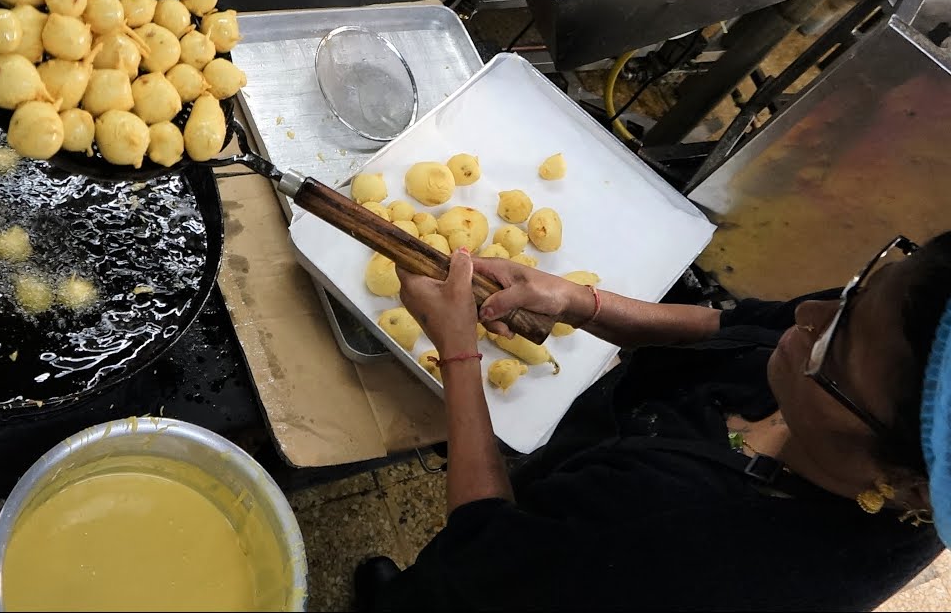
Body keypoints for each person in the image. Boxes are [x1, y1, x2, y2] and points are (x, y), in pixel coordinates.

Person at [356, 232, 951, 611]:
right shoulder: (893, 332)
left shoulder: (688, 547)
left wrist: (459, 352)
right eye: (852, 293)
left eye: (832, 350)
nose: (809, 313)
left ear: (911, 482)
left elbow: (486, 548)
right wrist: (578, 302)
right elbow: (735, 327)